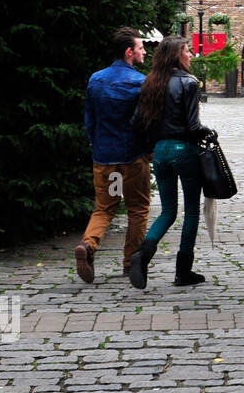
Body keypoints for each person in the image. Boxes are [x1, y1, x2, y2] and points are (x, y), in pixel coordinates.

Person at [127, 36, 212, 289]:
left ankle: (142, 254)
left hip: (161, 153)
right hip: (184, 152)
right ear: (177, 55)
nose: (190, 55)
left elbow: (136, 123)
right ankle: (183, 271)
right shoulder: (189, 83)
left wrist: (150, 146)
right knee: (192, 211)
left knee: (167, 211)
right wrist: (208, 133)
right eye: (187, 51)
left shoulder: (151, 82)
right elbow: (193, 125)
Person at [76, 28, 152, 283]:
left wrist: (95, 145)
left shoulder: (96, 80)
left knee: (104, 209)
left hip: (104, 156)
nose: (144, 51)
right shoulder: (140, 82)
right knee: (138, 209)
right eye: (141, 48)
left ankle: (88, 246)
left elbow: (90, 119)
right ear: (129, 52)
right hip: (132, 157)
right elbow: (145, 121)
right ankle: (131, 263)